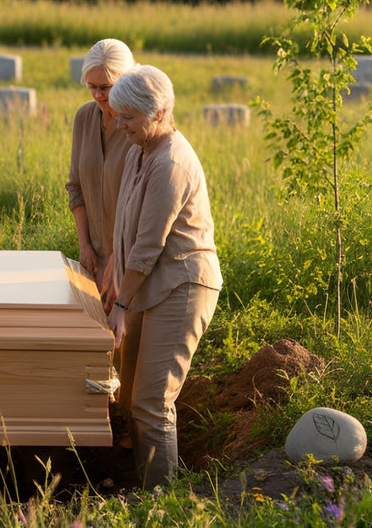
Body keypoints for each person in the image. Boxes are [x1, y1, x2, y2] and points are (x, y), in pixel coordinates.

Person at [105, 64, 223, 488]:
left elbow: (149, 243)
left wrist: (121, 304)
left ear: (158, 113)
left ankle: (161, 499)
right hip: (147, 286)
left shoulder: (170, 162)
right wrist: (114, 280)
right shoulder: (142, 149)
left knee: (152, 402)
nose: (121, 126)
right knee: (129, 395)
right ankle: (140, 483)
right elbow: (127, 228)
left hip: (180, 287)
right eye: (117, 116)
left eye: (129, 117)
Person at [65, 39, 136, 299]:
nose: (97, 95)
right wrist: (84, 245)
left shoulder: (138, 125)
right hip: (95, 259)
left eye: (105, 87)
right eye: (91, 86)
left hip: (132, 259)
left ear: (126, 81)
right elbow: (75, 187)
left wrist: (121, 258)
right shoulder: (84, 117)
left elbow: (143, 203)